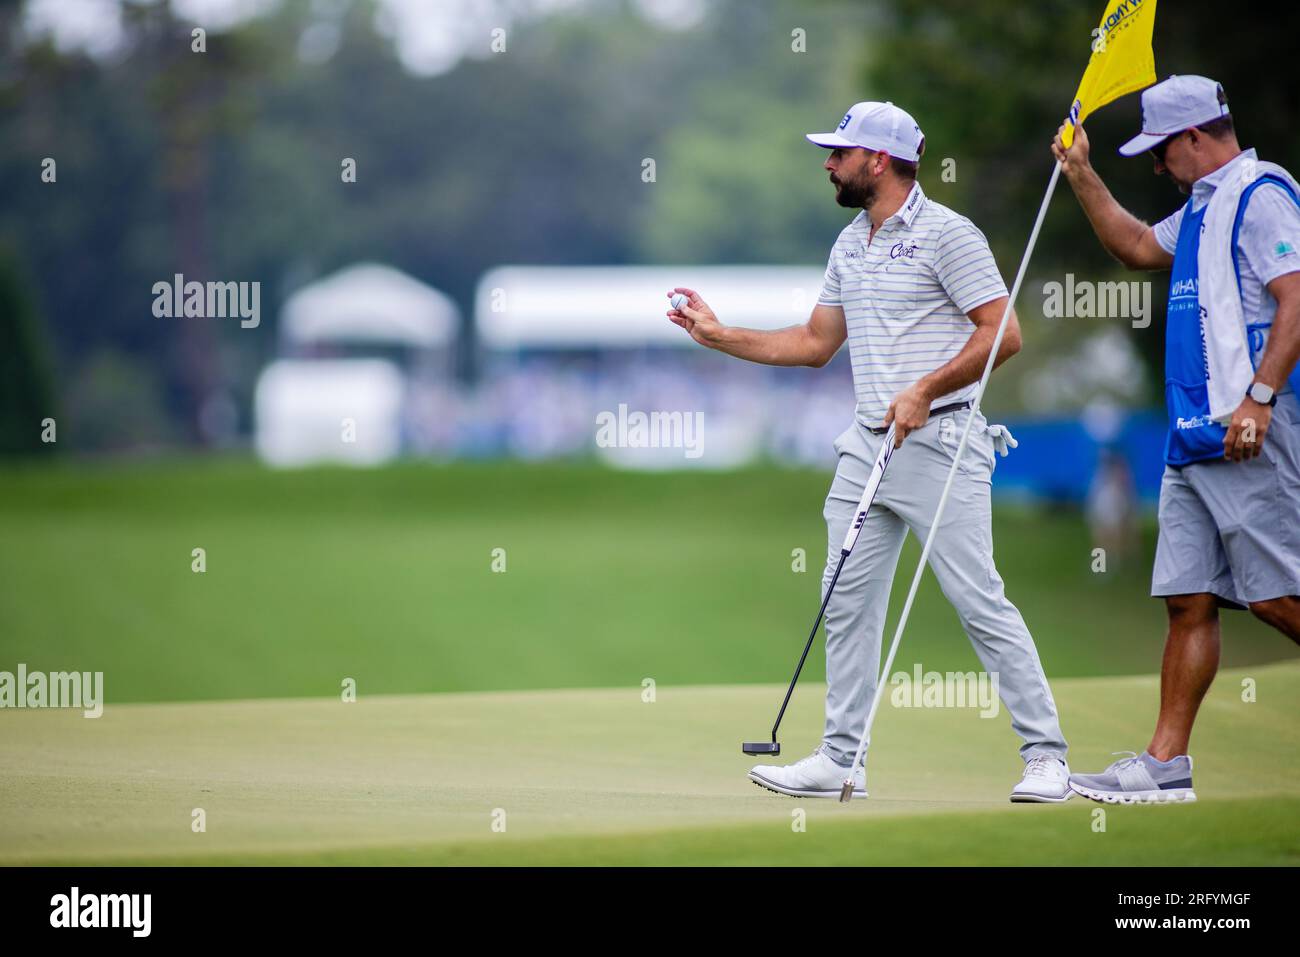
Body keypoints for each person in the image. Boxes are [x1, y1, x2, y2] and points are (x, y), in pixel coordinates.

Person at [668, 101, 1071, 801]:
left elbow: (1002, 334)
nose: (828, 163)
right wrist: (720, 334)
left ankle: (1047, 756)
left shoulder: (951, 234)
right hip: (866, 443)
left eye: (839, 153)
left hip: (941, 437)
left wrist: (925, 388)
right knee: (845, 600)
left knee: (977, 599)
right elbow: (815, 343)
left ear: (878, 161)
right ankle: (842, 759)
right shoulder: (851, 242)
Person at [1052, 75, 1300, 803]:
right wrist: (1081, 172)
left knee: (1278, 596)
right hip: (1191, 437)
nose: (1156, 166)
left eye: (1161, 153)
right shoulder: (1200, 208)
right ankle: (1166, 764)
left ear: (1194, 137)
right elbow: (1132, 244)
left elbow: (1297, 297)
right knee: (1188, 599)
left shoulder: (1261, 197)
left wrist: (1259, 396)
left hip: (1246, 428)